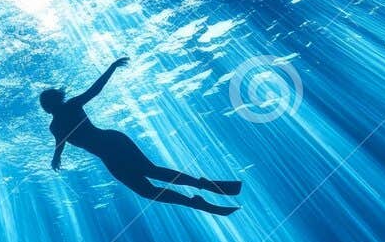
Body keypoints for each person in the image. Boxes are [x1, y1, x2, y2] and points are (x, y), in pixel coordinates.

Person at [42, 58, 242, 217]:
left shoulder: (72, 107)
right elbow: (60, 142)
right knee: (146, 191)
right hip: (109, 157)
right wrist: (56, 156)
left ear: (51, 103)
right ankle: (194, 202)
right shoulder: (57, 124)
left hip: (114, 143)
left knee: (151, 171)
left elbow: (95, 90)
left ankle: (203, 185)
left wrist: (112, 68)